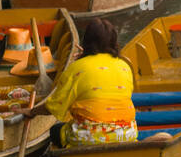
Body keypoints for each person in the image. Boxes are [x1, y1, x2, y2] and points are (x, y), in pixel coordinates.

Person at [32, 18, 138, 146]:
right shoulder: (124, 66)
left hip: (90, 137)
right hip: (127, 135)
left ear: (86, 41)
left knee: (55, 130)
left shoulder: (77, 68)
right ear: (114, 41)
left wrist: (31, 112)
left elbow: (54, 106)